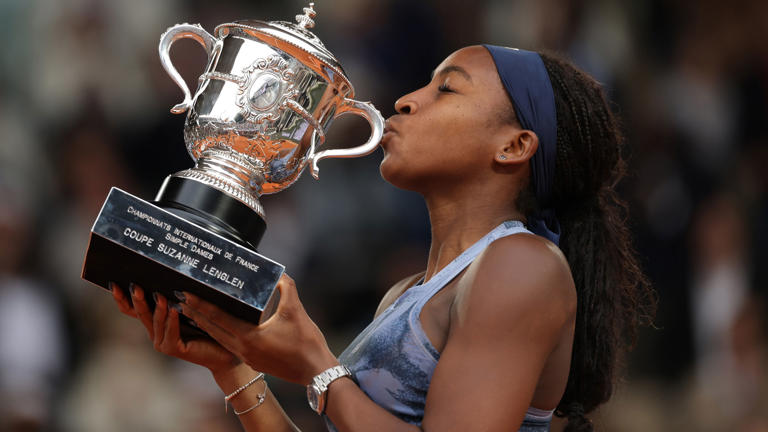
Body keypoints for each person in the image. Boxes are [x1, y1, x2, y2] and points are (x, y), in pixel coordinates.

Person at [110, 45, 654, 432]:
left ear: (513, 146)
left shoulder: (523, 264)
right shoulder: (404, 294)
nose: (407, 101)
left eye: (446, 88)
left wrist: (319, 366)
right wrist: (231, 365)